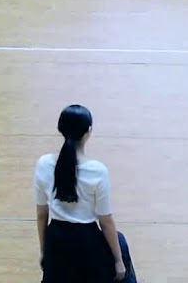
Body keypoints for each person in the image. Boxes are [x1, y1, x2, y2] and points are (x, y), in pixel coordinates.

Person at [35, 105, 137, 283]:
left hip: (56, 241)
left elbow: (42, 215)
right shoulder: (97, 171)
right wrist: (119, 261)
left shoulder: (43, 164)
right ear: (88, 131)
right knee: (120, 243)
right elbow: (105, 222)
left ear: (61, 129)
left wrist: (45, 252)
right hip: (86, 243)